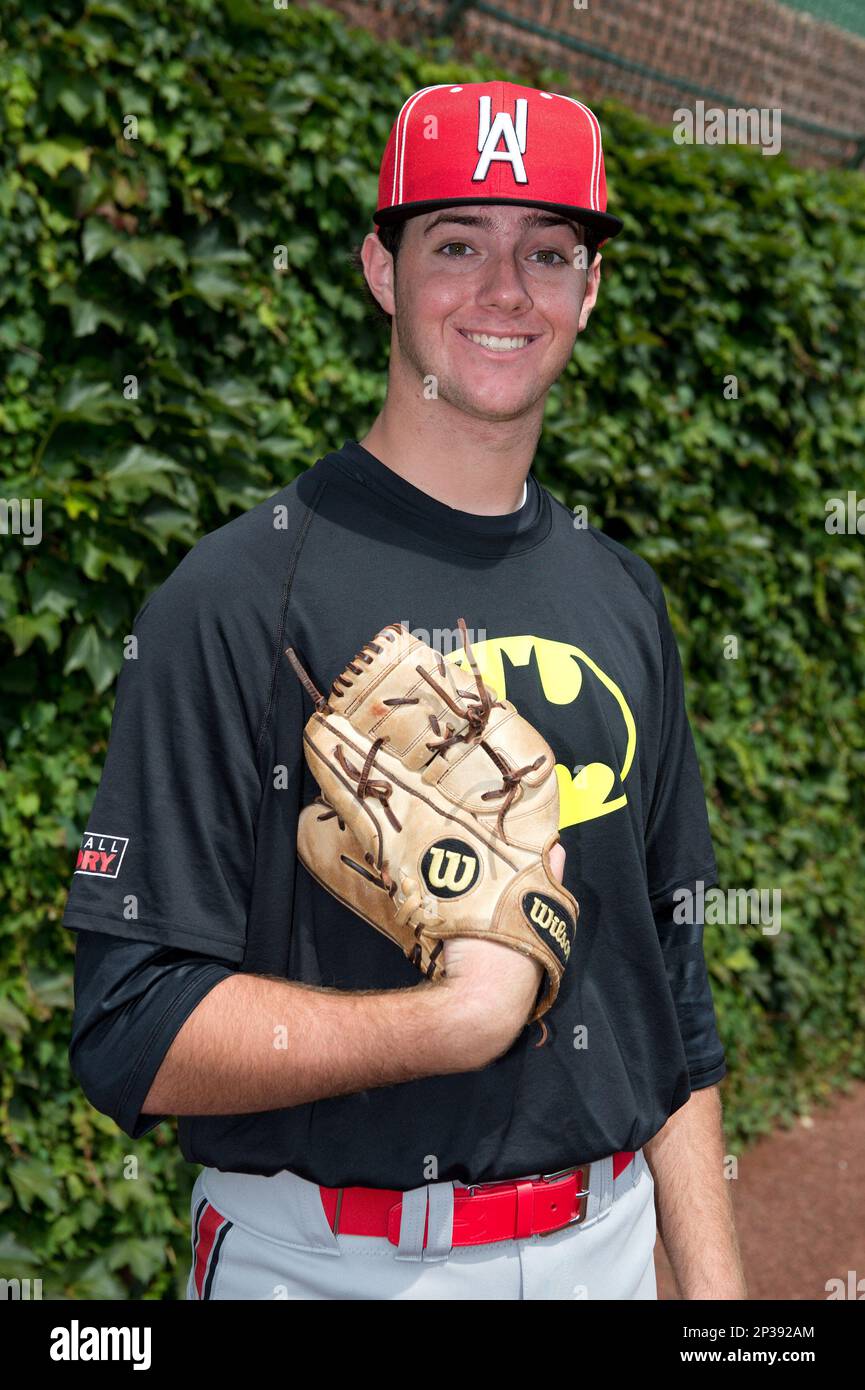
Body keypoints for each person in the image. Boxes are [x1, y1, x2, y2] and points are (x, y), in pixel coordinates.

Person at [65, 81, 746, 1300]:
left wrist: (720, 1308)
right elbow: (131, 1031)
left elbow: (671, 994)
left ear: (588, 291)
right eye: (455, 244)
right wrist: (449, 1020)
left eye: (548, 250)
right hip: (327, 1265)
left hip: (607, 1245)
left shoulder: (622, 595)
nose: (504, 290)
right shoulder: (236, 593)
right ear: (381, 270)